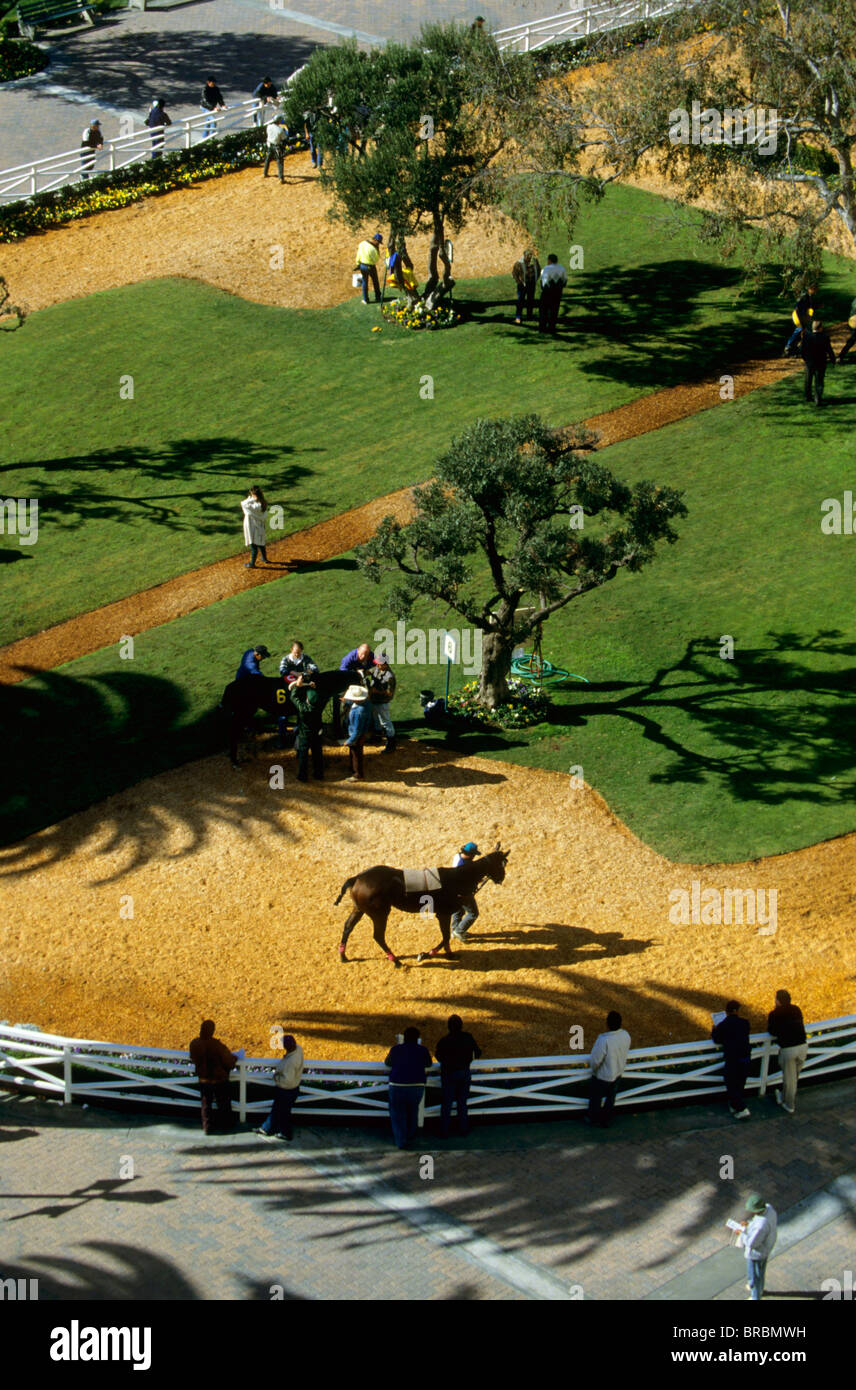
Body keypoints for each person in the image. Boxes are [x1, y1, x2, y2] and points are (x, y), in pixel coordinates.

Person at [189, 1019, 241, 1133]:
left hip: (203, 1078)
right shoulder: (217, 1045)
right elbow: (228, 1060)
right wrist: (235, 1059)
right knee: (223, 1102)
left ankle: (207, 1126)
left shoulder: (194, 1043)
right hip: (218, 1078)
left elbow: (193, 1057)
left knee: (206, 1104)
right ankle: (226, 1124)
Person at [384, 1026, 433, 1149]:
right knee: (413, 1111)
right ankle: (411, 1135)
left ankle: (401, 1141)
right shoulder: (423, 1050)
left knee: (397, 1114)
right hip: (417, 1085)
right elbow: (429, 1063)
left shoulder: (396, 1049)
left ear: (404, 1038)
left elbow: (388, 1063)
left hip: (397, 1085)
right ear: (417, 1039)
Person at [435, 1015, 482, 1137]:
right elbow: (478, 1053)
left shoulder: (444, 1040)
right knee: (462, 1102)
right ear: (461, 1025)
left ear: (448, 1027)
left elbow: (438, 1055)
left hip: (449, 1073)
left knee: (446, 1103)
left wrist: (446, 1062)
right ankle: (463, 1128)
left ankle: (444, 1130)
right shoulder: (468, 1037)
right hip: (463, 1072)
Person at [255, 1032, 304, 1140]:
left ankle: (285, 1133)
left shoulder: (290, 1063)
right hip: (294, 1088)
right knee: (278, 1110)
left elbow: (287, 1081)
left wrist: (276, 1078)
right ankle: (266, 1128)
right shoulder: (298, 1050)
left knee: (283, 1112)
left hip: (286, 1090)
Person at [587, 1011, 631, 1128]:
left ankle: (594, 1119)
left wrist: (594, 1070)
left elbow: (596, 1060)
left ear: (607, 1024)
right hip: (618, 1072)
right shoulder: (626, 1035)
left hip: (604, 1075)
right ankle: (606, 1120)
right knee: (611, 1098)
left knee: (596, 1098)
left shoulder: (604, 1040)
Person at [766, 988, 808, 1114]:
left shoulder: (774, 1014)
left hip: (789, 1049)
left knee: (790, 1079)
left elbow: (772, 1031)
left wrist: (775, 1011)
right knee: (793, 1077)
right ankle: (784, 1097)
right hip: (802, 1046)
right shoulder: (796, 1009)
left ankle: (789, 1105)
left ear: (778, 1001)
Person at [712, 1000, 751, 1119]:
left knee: (731, 1083)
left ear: (727, 1012)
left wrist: (714, 1029)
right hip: (745, 1057)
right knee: (740, 1083)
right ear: (737, 1011)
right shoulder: (745, 1023)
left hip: (733, 1059)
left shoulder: (724, 1025)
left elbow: (717, 1039)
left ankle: (742, 1108)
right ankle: (735, 1106)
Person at [735, 1194, 777, 1301]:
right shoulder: (769, 1209)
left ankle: (755, 1296)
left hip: (757, 1254)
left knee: (754, 1275)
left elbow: (751, 1243)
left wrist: (741, 1233)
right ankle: (760, 1290)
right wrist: (748, 1225)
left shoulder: (760, 1226)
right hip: (767, 1247)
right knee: (761, 1272)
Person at [291, 674, 325, 781]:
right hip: (317, 733)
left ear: (307, 700)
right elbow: (319, 696)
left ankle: (303, 775)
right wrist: (314, 687)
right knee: (317, 754)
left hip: (304, 734)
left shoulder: (303, 708)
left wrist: (297, 686)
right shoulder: (319, 705)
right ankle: (319, 774)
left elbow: (293, 697)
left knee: (303, 755)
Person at [801, 318, 836, 406]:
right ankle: (818, 399)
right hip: (821, 362)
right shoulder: (825, 337)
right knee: (819, 381)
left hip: (809, 362)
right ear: (820, 328)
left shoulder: (807, 337)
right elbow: (829, 350)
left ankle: (807, 396)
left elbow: (802, 350)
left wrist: (805, 359)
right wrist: (833, 359)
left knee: (808, 380)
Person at [450, 842, 480, 941]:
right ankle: (458, 931)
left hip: (454, 892)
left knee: (458, 910)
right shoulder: (464, 866)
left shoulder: (457, 857)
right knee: (473, 913)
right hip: (463, 893)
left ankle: (455, 929)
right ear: (470, 854)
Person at [368, 653, 396, 753]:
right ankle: (377, 737)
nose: (377, 665)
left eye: (379, 664)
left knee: (385, 722)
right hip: (374, 700)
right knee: (375, 718)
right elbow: (369, 671)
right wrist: (362, 672)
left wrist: (377, 691)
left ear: (385, 664)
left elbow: (389, 693)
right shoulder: (377, 668)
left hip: (382, 702)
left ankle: (391, 743)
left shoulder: (389, 677)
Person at [344, 683, 372, 781]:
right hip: (361, 733)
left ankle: (358, 774)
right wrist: (347, 701)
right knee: (354, 752)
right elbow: (353, 703)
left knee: (356, 755)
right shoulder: (366, 702)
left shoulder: (359, 712)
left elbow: (357, 731)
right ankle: (352, 768)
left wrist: (349, 740)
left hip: (356, 735)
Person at [784, 283, 818, 356]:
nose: (815, 292)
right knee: (799, 330)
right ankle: (789, 346)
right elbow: (798, 308)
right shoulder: (804, 297)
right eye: (814, 290)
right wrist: (802, 318)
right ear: (810, 289)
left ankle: (796, 348)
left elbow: (809, 308)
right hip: (799, 317)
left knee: (802, 332)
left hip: (804, 317)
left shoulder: (809, 297)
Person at [538, 254, 567, 334]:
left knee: (544, 310)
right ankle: (552, 327)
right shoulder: (562, 268)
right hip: (557, 292)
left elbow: (543, 281)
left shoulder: (546, 268)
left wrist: (544, 288)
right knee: (554, 310)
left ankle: (542, 328)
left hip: (547, 291)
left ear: (549, 260)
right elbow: (565, 280)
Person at [242, 485, 269, 567]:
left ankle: (252, 563)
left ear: (254, 495)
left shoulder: (254, 506)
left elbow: (243, 504)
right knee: (261, 541)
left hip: (252, 525)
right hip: (260, 524)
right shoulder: (263, 502)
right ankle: (264, 558)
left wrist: (250, 499)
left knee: (253, 544)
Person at [512, 248, 541, 324]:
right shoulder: (519, 263)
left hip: (532, 284)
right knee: (520, 301)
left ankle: (529, 316)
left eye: (530, 256)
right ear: (524, 256)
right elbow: (514, 274)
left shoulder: (534, 262)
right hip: (522, 285)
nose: (529, 258)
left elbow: (538, 270)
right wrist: (519, 282)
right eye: (528, 256)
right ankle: (518, 317)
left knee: (531, 301)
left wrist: (535, 279)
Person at [354, 232, 384, 305]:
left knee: (364, 282)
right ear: (375, 240)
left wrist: (358, 264)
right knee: (375, 281)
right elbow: (376, 260)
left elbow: (358, 254)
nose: (378, 244)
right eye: (378, 242)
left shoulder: (362, 243)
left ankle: (365, 299)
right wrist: (377, 250)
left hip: (362, 265)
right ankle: (378, 297)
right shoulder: (373, 249)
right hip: (370, 267)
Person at [263, 115, 289, 182]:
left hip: (269, 144)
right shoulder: (280, 130)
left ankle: (265, 173)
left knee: (268, 159)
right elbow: (284, 138)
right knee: (280, 161)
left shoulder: (268, 127)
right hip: (276, 146)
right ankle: (281, 178)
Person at [838, 295, 856, 363]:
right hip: (854, 323)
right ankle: (841, 356)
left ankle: (841, 356)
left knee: (851, 341)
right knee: (852, 340)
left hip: (853, 322)